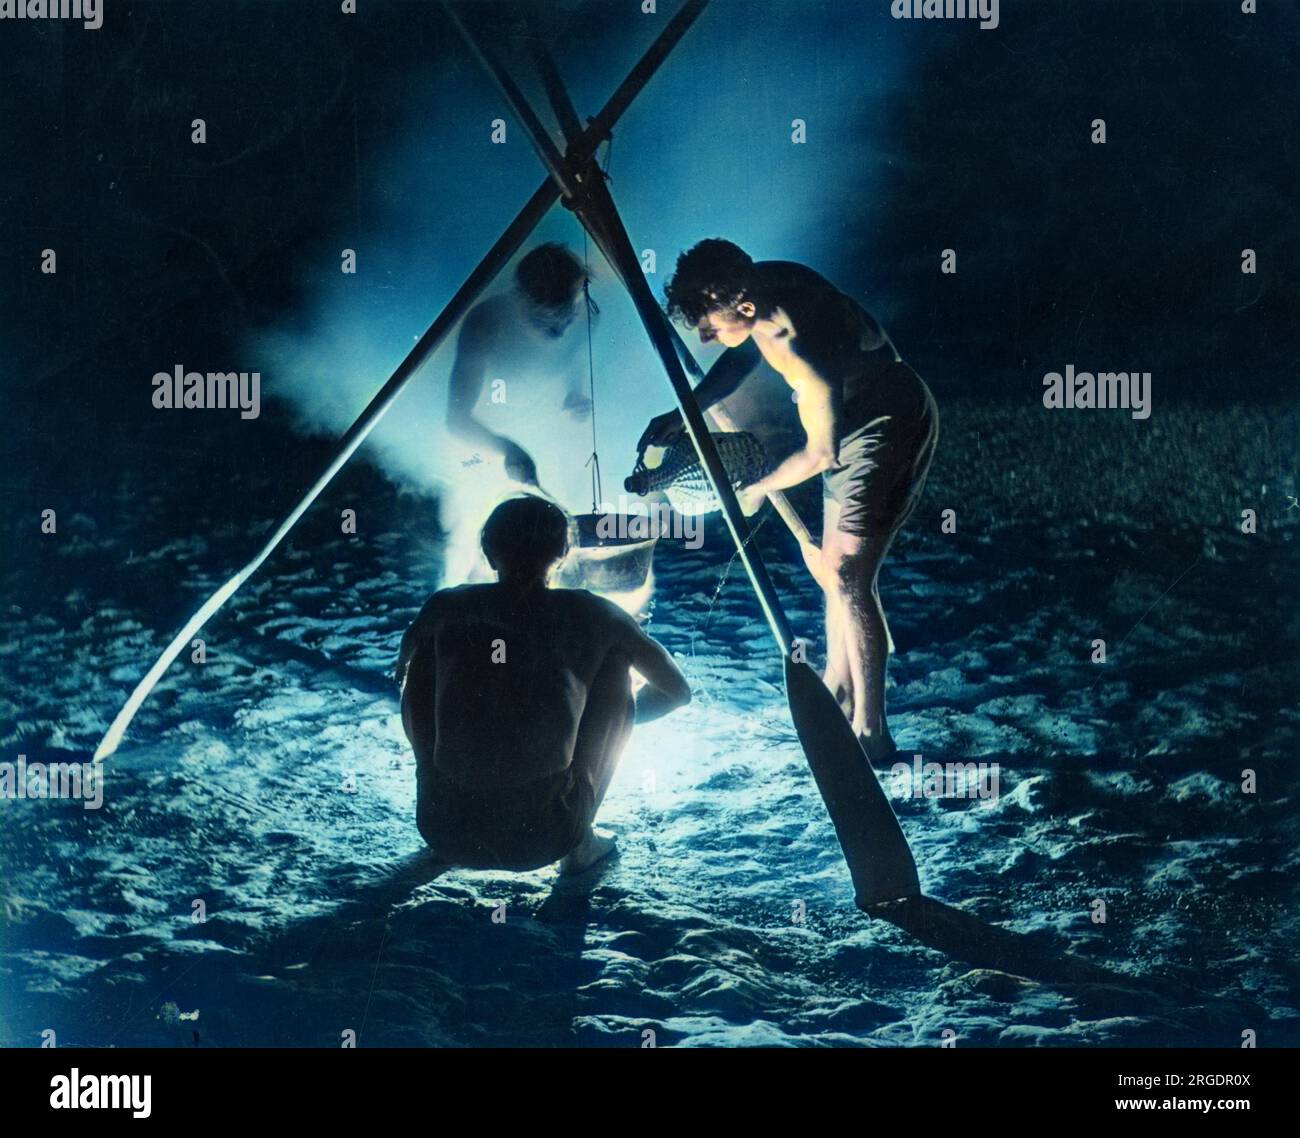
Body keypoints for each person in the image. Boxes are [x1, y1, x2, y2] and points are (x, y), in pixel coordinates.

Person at [639, 239, 938, 761]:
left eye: (710, 326)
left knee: (849, 576)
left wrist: (757, 486)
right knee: (831, 567)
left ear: (746, 307)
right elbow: (742, 355)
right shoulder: (760, 281)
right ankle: (837, 686)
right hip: (848, 418)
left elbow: (821, 452)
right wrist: (686, 410)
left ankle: (873, 731)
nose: (706, 338)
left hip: (884, 423)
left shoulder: (803, 343)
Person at [396, 496, 691, 874]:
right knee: (615, 661)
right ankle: (580, 845)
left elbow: (403, 673)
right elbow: (676, 692)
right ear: (565, 553)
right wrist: (602, 718)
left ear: (488, 552)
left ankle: (439, 792)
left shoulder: (446, 606)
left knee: (425, 652)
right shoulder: (593, 613)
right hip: (543, 837)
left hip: (444, 828)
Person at [441, 243, 598, 583]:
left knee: (551, 549)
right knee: (474, 544)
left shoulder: (587, 314)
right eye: (546, 315)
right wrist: (507, 449)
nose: (560, 325)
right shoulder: (485, 323)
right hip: (482, 445)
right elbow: (456, 419)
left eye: (566, 313)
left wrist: (574, 394)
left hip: (543, 441)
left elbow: (572, 359)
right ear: (522, 299)